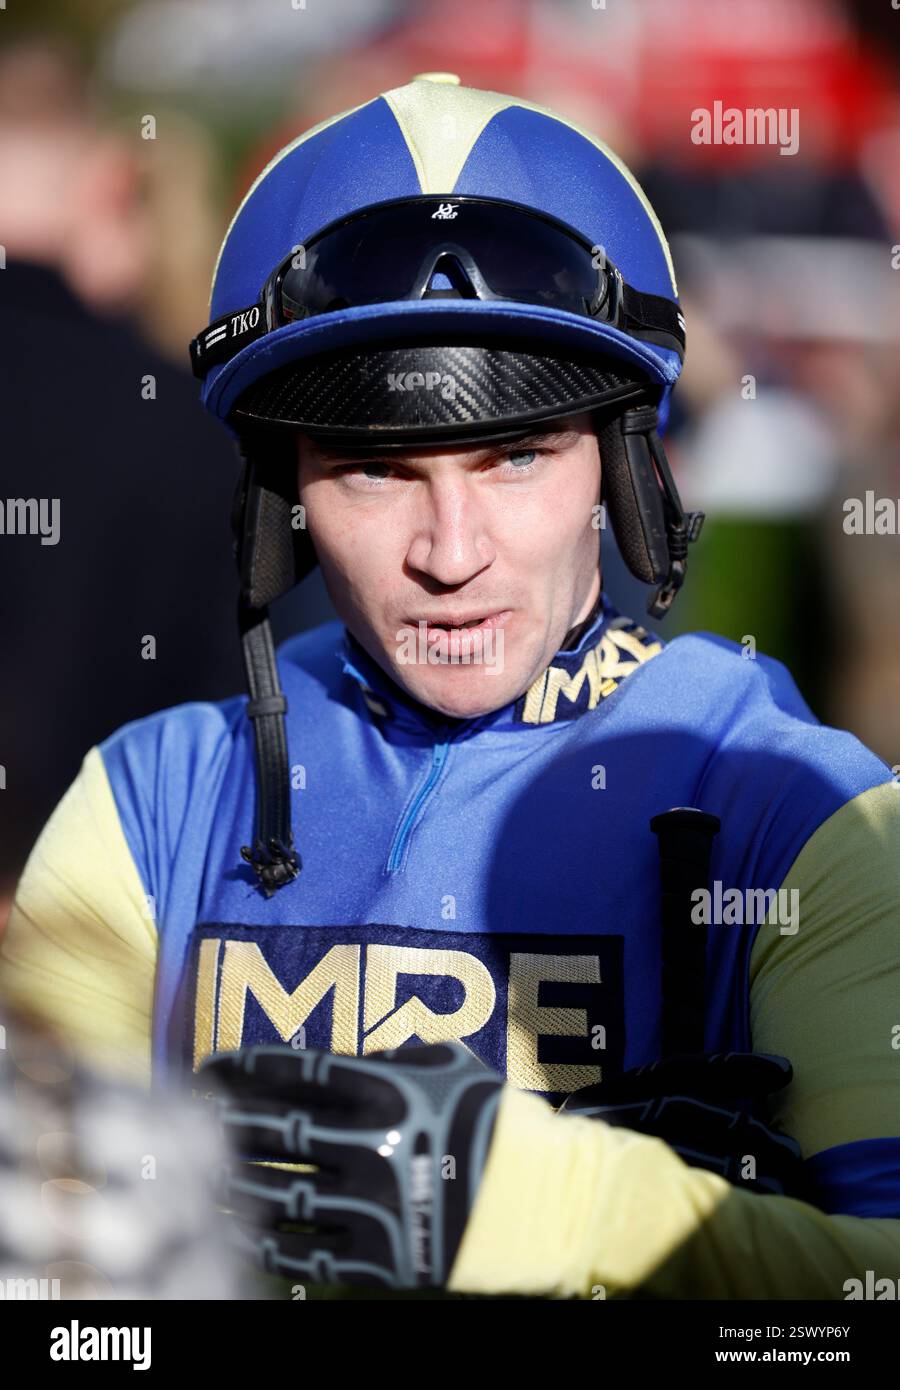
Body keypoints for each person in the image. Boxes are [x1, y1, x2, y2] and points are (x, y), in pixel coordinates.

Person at [2, 73, 899, 1300]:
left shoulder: (797, 808)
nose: (452, 552)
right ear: (285, 505)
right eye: (375, 471)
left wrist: (559, 1204)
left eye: (517, 452)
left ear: (625, 475)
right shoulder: (146, 803)